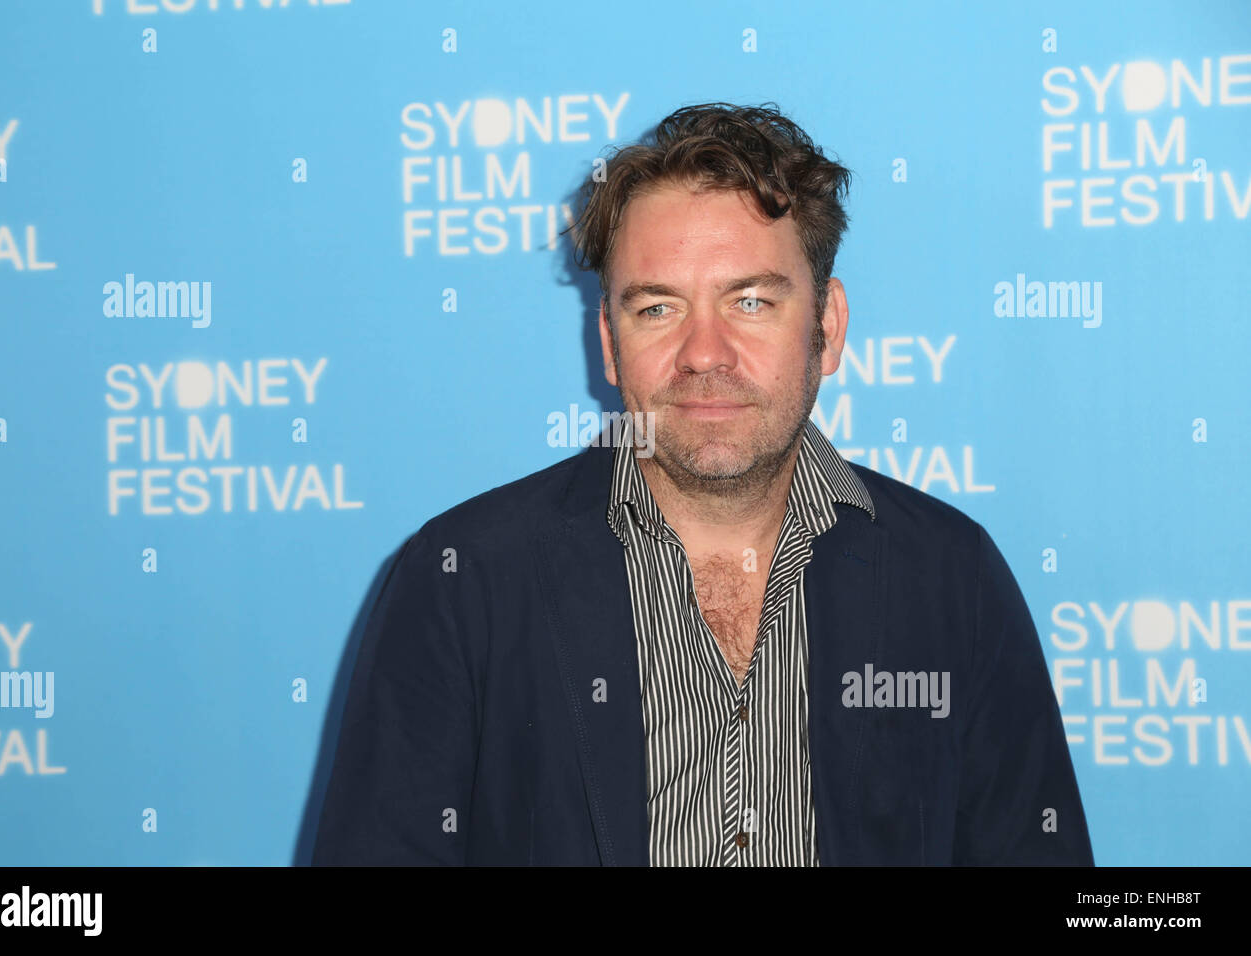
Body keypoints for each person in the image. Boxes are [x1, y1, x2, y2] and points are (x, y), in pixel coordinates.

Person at [311, 101, 1093, 866]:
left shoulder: (952, 575)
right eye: (658, 308)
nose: (704, 353)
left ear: (828, 326)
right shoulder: (459, 581)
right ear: (611, 346)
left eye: (751, 301)